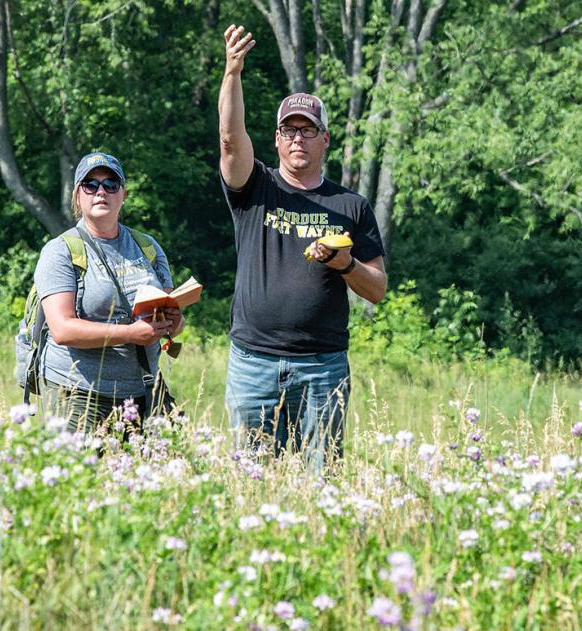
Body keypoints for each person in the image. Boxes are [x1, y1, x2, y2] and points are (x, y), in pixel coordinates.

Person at [218, 24, 388, 473]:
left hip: (322, 367)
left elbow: (376, 289)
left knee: (323, 482)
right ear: (275, 140)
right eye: (288, 130)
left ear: (325, 139)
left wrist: (345, 262)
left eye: (308, 130)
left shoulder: (350, 205)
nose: (297, 138)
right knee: (251, 484)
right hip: (253, 362)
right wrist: (232, 73)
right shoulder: (255, 188)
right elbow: (232, 141)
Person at [34, 152, 184, 432]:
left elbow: (169, 312)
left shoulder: (147, 246)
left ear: (123, 194)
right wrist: (131, 334)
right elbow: (62, 329)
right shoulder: (61, 251)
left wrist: (173, 324)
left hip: (144, 389)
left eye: (110, 184)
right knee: (81, 476)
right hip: (78, 394)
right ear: (78, 196)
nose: (101, 191)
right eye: (90, 185)